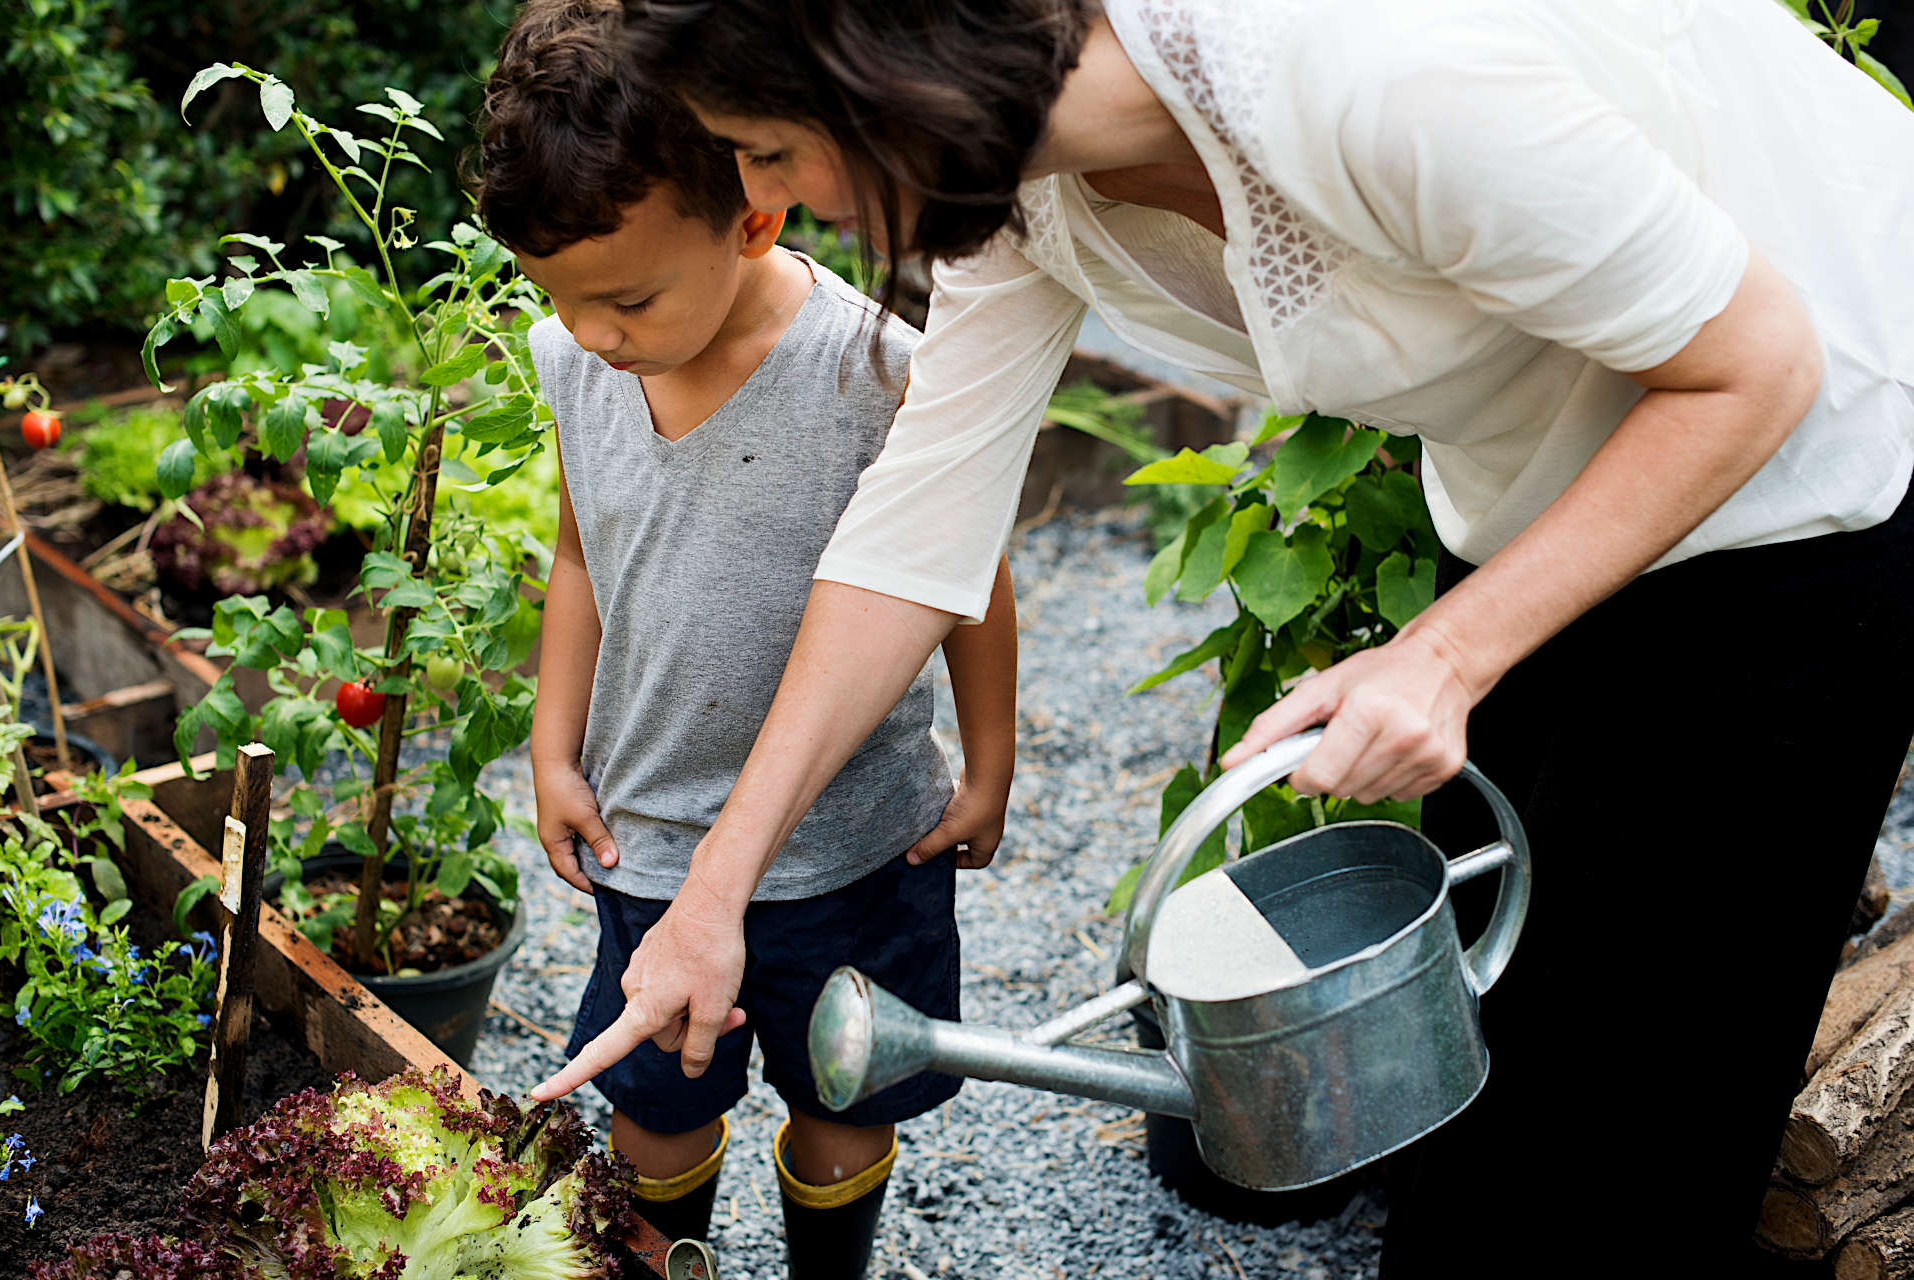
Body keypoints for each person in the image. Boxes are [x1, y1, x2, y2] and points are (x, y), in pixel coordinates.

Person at [532, 0, 1914, 1273]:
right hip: (1553, 483)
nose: (762, 200)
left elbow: (1760, 363)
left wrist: (1443, 652)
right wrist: (714, 893)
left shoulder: (1359, 68)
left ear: (887, 76)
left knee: (1613, 1133)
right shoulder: (1014, 191)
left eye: (770, 148)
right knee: (1475, 1059)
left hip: (1810, 456)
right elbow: (911, 543)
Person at [474, 4, 1019, 1275]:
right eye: (556, 300)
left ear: (755, 216)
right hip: (655, 842)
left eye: (627, 299)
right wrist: (555, 747)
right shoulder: (575, 356)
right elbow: (578, 552)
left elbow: (965, 575)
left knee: (845, 1095)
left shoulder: (871, 370)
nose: (590, 336)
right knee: (656, 1108)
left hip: (854, 847)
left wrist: (985, 764)